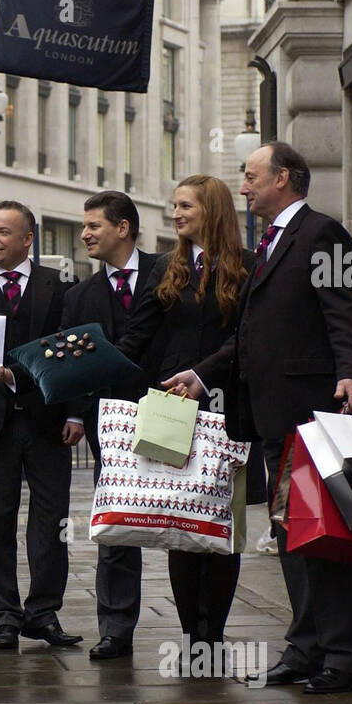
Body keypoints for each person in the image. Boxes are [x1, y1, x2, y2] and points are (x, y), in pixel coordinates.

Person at [163, 142, 352, 694]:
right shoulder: (271, 241)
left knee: (325, 539)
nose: (244, 186)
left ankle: (345, 658)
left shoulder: (323, 234)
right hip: (276, 420)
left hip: (312, 415)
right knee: (292, 536)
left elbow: (345, 311)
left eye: (252, 176)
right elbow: (249, 336)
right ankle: (306, 648)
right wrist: (202, 375)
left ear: (284, 178)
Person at [115, 175, 255, 666]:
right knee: (181, 524)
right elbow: (137, 335)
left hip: (225, 407)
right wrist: (90, 366)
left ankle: (213, 634)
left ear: (210, 211)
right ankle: (192, 635)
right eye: (174, 205)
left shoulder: (248, 266)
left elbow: (247, 339)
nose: (175, 214)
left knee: (221, 526)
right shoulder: (164, 267)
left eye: (185, 206)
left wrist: (203, 374)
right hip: (170, 408)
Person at [0, 200, 86, 651]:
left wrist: (75, 413)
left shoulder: (61, 288)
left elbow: (74, 353)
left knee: (51, 524)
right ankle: (4, 616)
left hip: (49, 421)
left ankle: (43, 613)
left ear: (28, 240)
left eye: (3, 232)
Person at [59, 190, 162, 661]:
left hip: (172, 416)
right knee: (117, 526)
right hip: (111, 426)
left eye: (93, 225)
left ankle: (204, 633)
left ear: (123, 228)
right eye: (84, 226)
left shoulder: (169, 274)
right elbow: (73, 360)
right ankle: (115, 630)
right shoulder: (79, 296)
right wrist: (75, 412)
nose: (85, 234)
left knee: (189, 517)